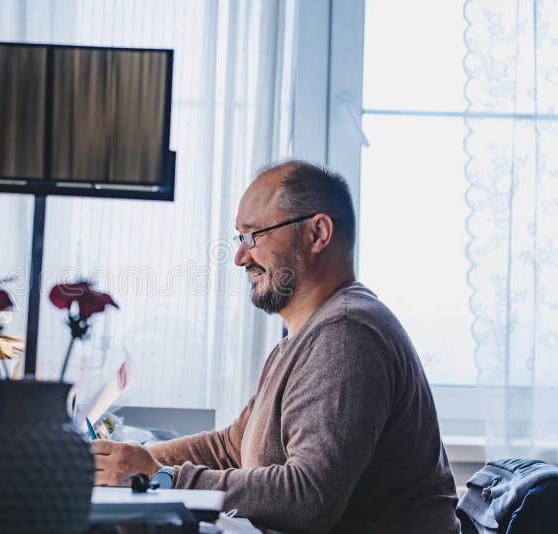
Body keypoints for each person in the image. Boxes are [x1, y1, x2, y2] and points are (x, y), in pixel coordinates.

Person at [92, 160, 460, 533]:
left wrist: (162, 478)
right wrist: (124, 463)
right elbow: (230, 449)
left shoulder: (348, 335)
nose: (240, 257)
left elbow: (308, 497)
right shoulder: (304, 339)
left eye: (255, 235)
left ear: (317, 234)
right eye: (240, 238)